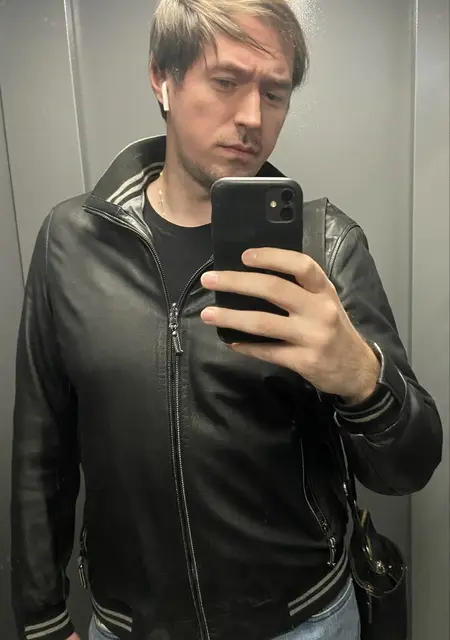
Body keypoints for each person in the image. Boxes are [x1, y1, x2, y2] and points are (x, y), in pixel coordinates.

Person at [10, 1, 442, 639]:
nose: (252, 118)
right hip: (131, 626)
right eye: (226, 81)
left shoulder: (324, 247)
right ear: (163, 78)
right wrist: (43, 620)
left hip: (305, 622)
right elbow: (40, 450)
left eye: (274, 93)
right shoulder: (71, 243)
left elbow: (410, 466)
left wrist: (361, 379)